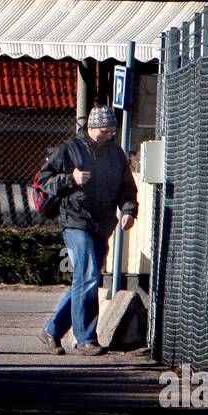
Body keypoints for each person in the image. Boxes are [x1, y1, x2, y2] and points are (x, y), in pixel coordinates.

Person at [37, 105, 137, 355]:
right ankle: (85, 339)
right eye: (105, 130)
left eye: (112, 131)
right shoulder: (69, 149)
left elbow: (127, 187)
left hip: (102, 223)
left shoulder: (115, 153)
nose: (109, 135)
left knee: (84, 277)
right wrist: (71, 178)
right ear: (92, 127)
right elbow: (43, 180)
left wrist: (128, 210)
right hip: (75, 220)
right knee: (89, 273)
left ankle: (51, 329)